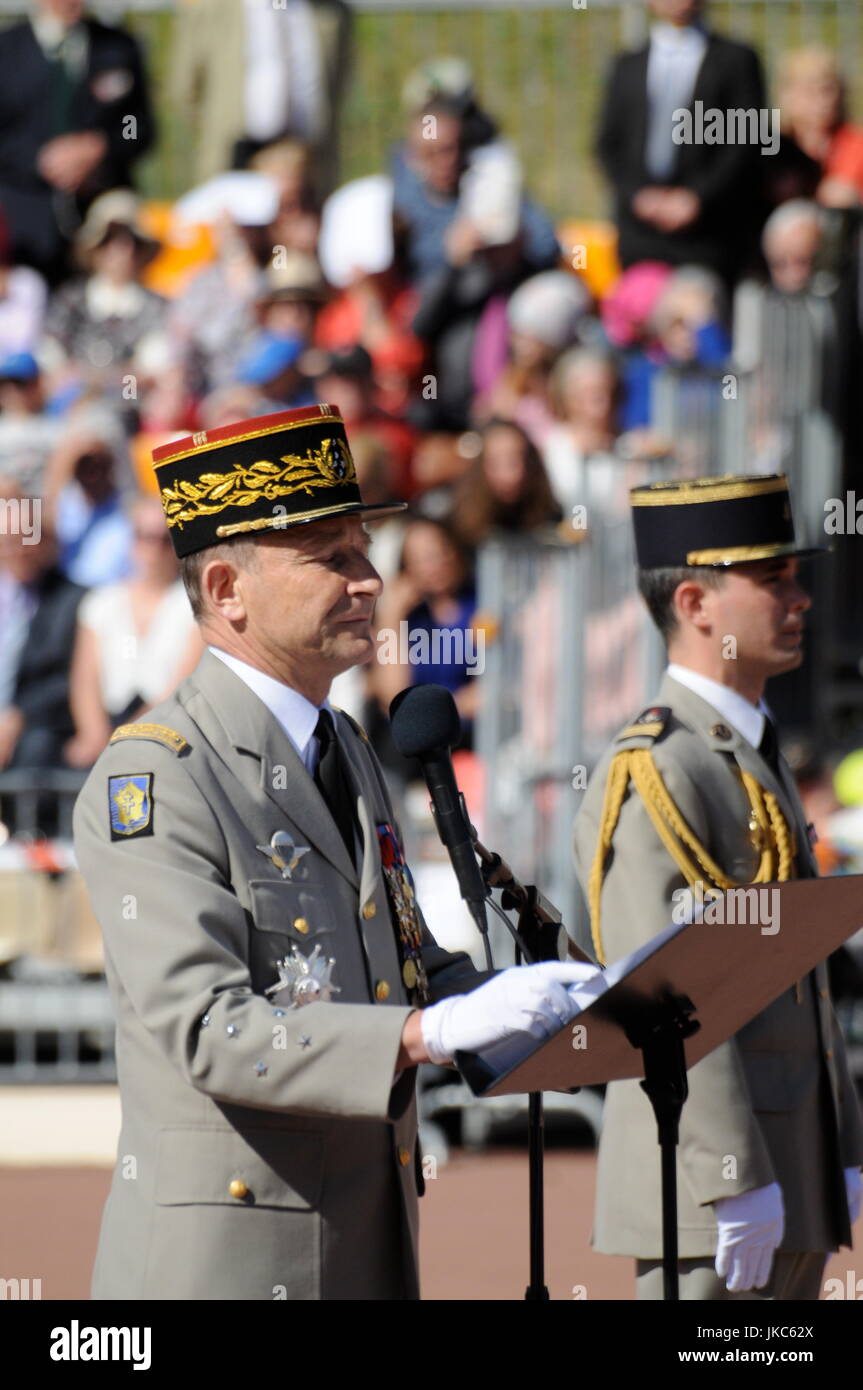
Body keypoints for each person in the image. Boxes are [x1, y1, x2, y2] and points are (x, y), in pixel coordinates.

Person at [72, 403, 596, 1300]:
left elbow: (398, 966)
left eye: (365, 554)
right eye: (332, 557)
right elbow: (209, 1030)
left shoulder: (343, 746)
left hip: (364, 1239)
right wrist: (428, 1033)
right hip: (235, 1266)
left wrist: (528, 1003)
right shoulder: (159, 778)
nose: (367, 583)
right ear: (228, 589)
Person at [572, 472, 863, 1301]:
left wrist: (835, 1141)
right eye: (771, 581)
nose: (799, 599)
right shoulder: (662, 765)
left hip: (786, 1163)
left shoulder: (744, 746)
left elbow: (788, 974)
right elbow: (663, 994)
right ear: (696, 604)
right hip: (711, 1184)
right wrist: (728, 1175)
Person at [596, 0, 765, 286]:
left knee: (692, 310)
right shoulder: (627, 64)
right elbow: (609, 144)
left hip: (709, 235)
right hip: (641, 237)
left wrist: (697, 198)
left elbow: (746, 141)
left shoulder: (736, 60)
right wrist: (639, 196)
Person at [0, 0, 154, 281]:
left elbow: (135, 125)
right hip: (24, 223)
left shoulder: (117, 48)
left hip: (101, 228)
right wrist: (40, 160)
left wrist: (104, 144)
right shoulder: (7, 52)